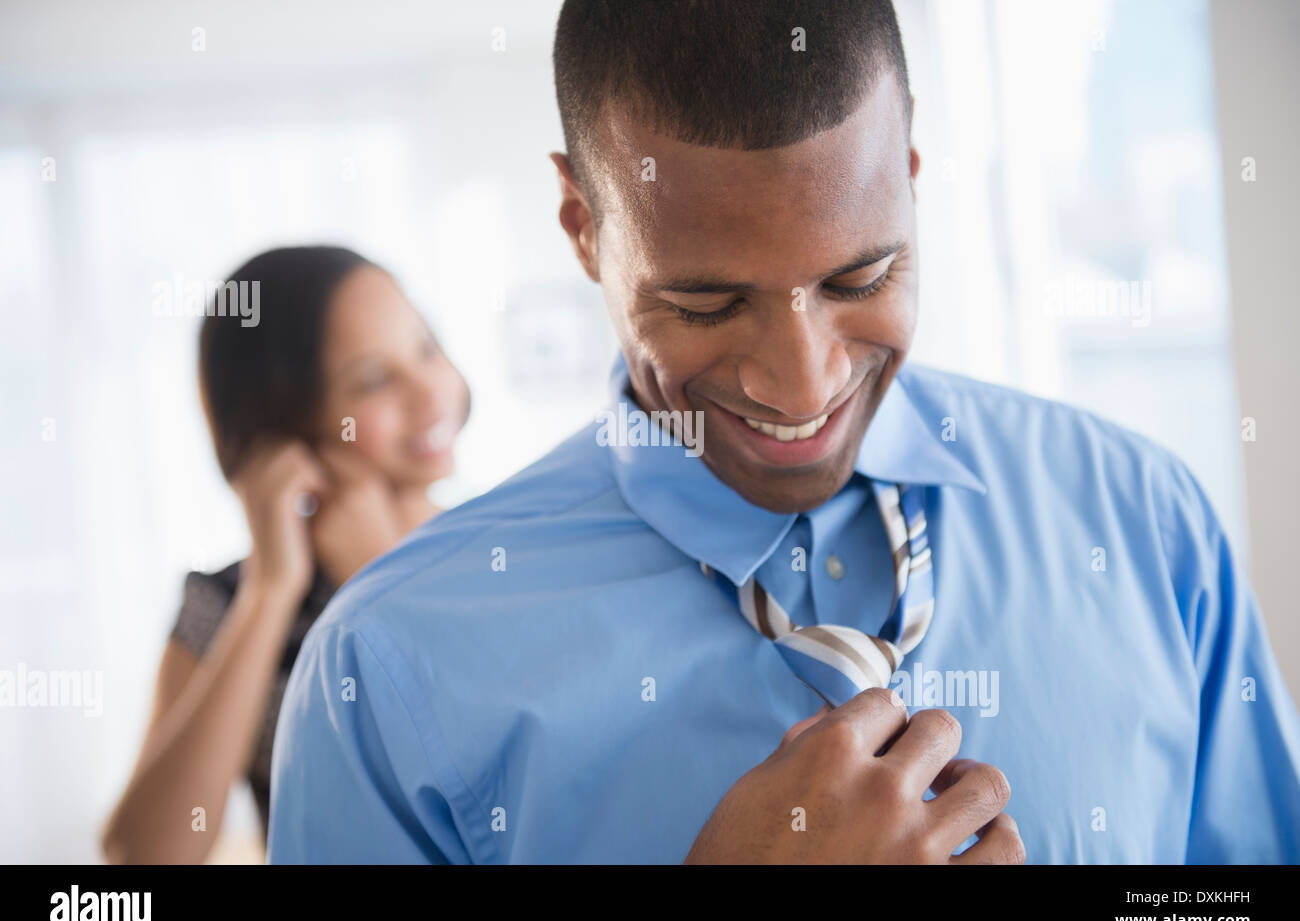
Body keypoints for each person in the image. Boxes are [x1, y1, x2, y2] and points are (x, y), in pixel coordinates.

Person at [268, 1, 1300, 864]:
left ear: (907, 170)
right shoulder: (386, 668)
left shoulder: (1145, 521)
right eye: (708, 303)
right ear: (583, 227)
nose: (801, 382)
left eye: (861, 277)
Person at [99, 246, 471, 864]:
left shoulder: (506, 550)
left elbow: (501, 783)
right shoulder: (224, 603)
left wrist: (376, 580)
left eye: (426, 348)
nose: (430, 392)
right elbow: (143, 859)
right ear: (282, 426)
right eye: (376, 379)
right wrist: (271, 588)